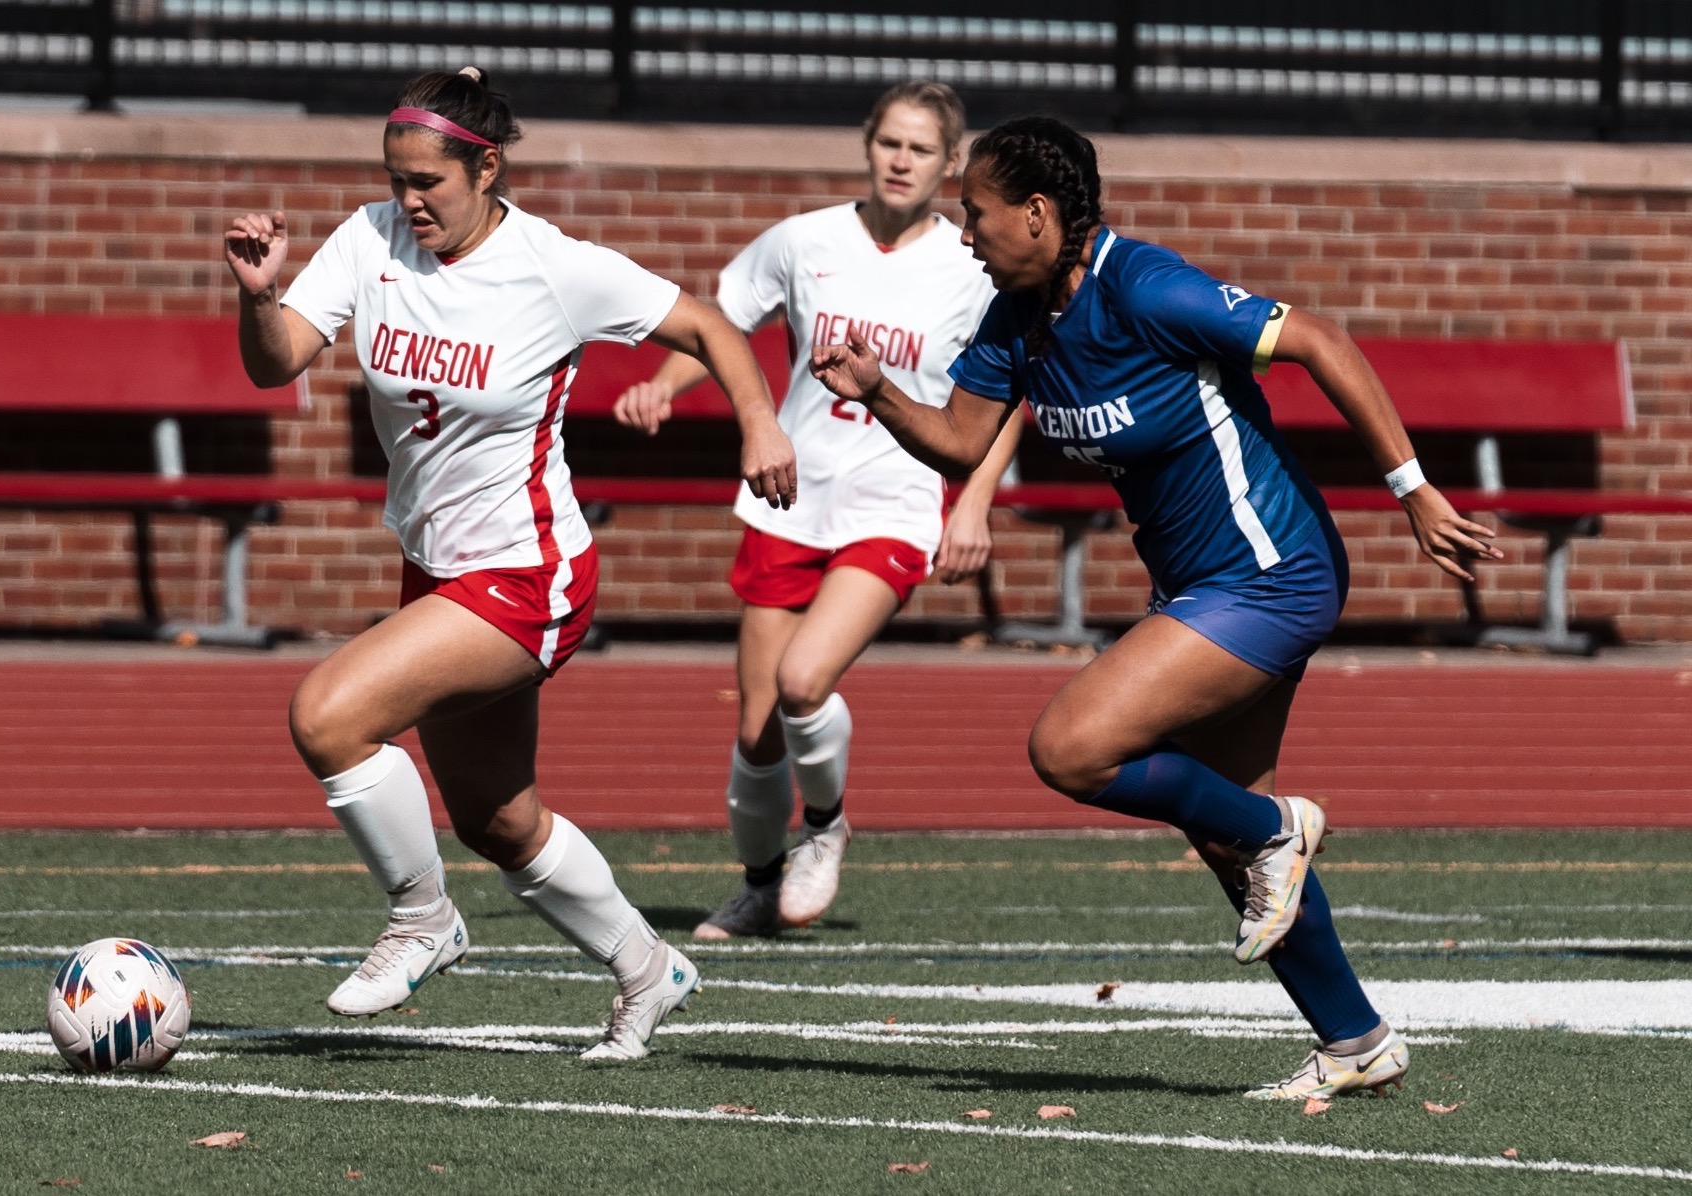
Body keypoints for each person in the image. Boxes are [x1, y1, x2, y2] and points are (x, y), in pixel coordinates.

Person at [810, 115, 1503, 1098]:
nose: (963, 230)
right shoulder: (1016, 320)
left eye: (976, 210)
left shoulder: (1144, 286)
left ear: (1038, 214)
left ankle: (1277, 828)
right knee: (1231, 838)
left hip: (1272, 571)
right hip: (1201, 589)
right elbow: (964, 442)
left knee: (1069, 746)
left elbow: (1313, 337)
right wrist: (876, 390)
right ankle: (1354, 1038)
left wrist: (1414, 491)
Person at [224, 67, 796, 1060]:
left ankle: (421, 920)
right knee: (497, 819)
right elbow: (277, 361)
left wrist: (759, 426)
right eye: (395, 176)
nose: (409, 199)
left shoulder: (553, 265)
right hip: (438, 572)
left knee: (328, 712)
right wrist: (261, 294)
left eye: (428, 182)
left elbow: (705, 325)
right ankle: (647, 967)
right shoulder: (368, 238)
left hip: (531, 573)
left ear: (485, 167)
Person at [613, 81, 1022, 940]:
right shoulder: (805, 241)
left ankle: (827, 826)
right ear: (867, 148)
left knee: (804, 682)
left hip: (896, 500)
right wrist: (663, 383)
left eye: (921, 149)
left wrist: (974, 502)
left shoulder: (969, 265)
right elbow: (721, 322)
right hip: (789, 496)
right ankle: (760, 885)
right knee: (758, 732)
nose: (902, 161)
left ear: (952, 164)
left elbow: (1012, 390)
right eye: (889, 144)